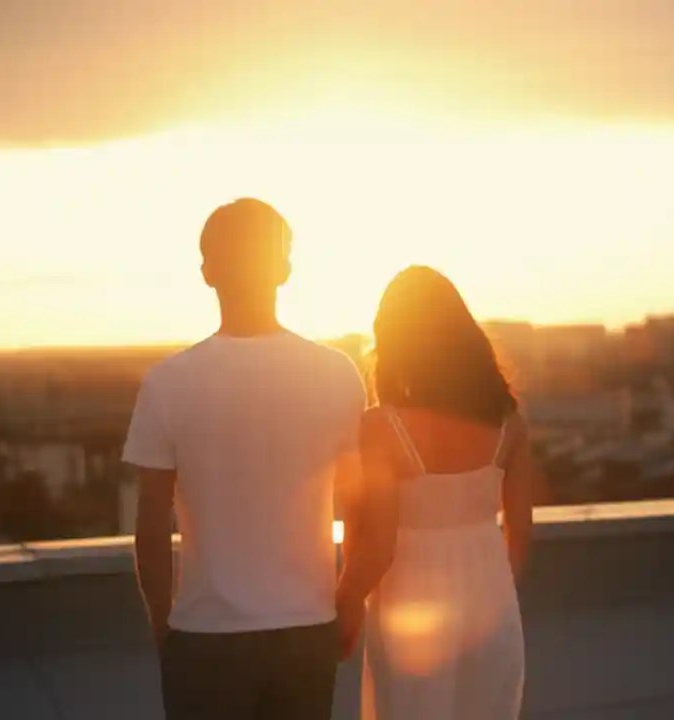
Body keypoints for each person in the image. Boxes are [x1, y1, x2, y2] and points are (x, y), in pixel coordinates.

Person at [123, 198, 366, 720]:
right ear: (284, 268)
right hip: (307, 629)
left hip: (205, 637)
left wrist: (164, 625)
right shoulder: (337, 373)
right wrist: (348, 602)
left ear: (208, 272)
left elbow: (149, 520)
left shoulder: (167, 382)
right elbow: (360, 503)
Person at [338, 266, 534, 720]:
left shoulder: (382, 427)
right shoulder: (510, 425)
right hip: (494, 614)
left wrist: (344, 606)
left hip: (411, 624)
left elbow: (379, 545)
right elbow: (520, 535)